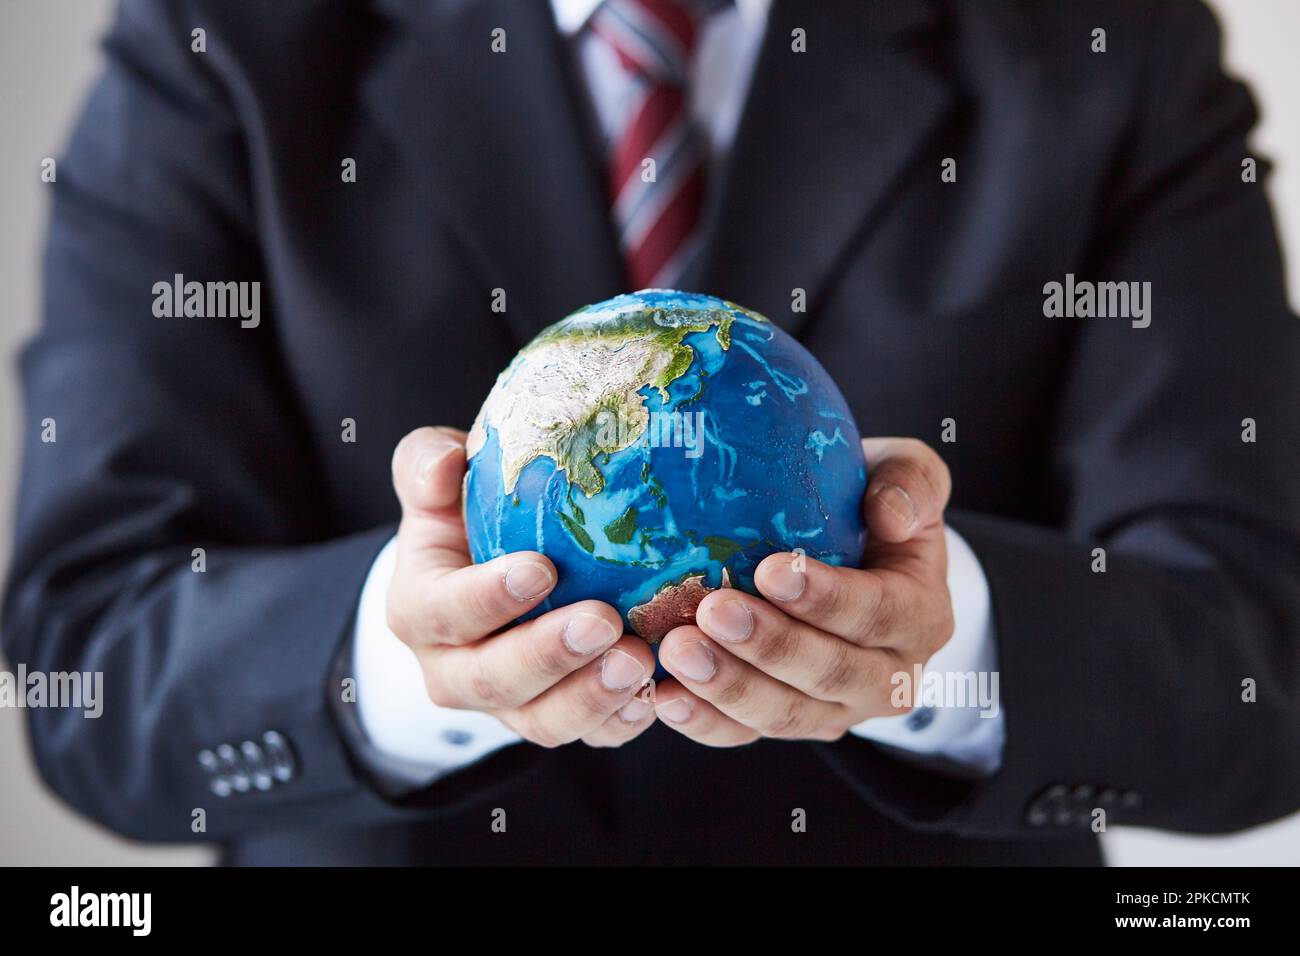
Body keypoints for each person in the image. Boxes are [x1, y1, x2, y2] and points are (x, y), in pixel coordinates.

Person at [4, 0, 1299, 865]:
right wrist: (404, 663)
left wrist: (935, 643)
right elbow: (91, 653)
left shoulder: (1104, 44)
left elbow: (1264, 655)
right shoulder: (217, 38)